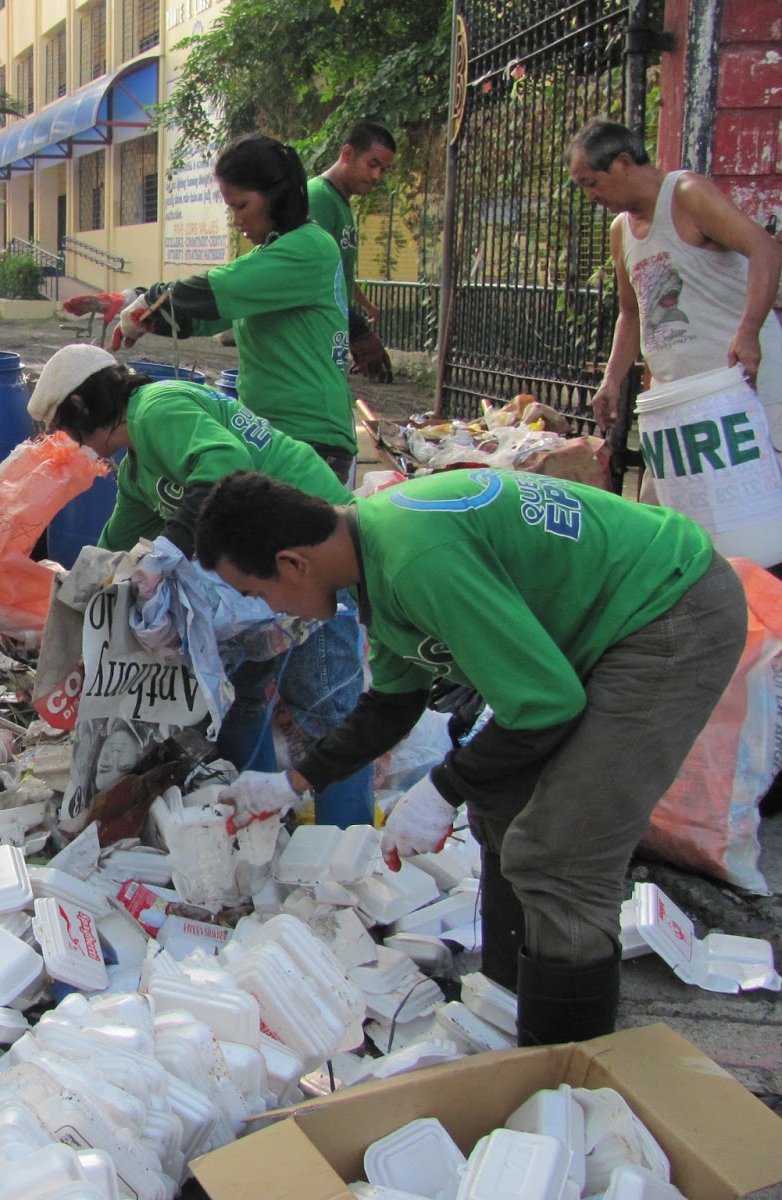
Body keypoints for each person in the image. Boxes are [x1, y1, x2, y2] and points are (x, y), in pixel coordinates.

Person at [195, 468, 746, 1045]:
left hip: (667, 611)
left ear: (292, 563)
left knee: (561, 849)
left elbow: (546, 707)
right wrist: (294, 782)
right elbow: (394, 702)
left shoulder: (417, 559)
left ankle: (570, 1064)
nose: (268, 607)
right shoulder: (373, 554)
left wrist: (442, 787)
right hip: (595, 625)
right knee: (501, 804)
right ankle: (506, 1005)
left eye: (258, 594)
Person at [27, 343, 373, 826]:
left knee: (323, 703)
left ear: (83, 407)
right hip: (261, 582)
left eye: (66, 428)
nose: (73, 444)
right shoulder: (139, 468)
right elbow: (115, 547)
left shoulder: (156, 406)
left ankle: (347, 841)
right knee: (238, 701)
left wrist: (170, 545)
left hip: (315, 559)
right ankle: (261, 822)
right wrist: (74, 599)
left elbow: (223, 463)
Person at [116, 133, 357, 483]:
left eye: (241, 206)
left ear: (275, 197)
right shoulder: (271, 256)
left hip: (311, 439)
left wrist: (151, 298)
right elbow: (213, 314)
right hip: (271, 433)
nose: (237, 220)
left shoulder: (311, 248)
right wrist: (154, 321)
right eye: (231, 209)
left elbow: (219, 288)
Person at [569, 119, 782, 444]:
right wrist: (611, 379)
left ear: (623, 163)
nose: (590, 196)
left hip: (742, 390)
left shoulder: (686, 194)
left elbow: (764, 249)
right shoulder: (621, 231)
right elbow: (632, 312)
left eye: (591, 182)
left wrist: (749, 331)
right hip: (677, 403)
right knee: (667, 497)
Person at [309, 121, 397, 383]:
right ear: (347, 154)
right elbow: (314, 274)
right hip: (312, 339)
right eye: (372, 164)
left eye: (383, 169)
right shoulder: (319, 199)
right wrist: (357, 331)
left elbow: (339, 270)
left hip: (332, 334)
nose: (377, 176)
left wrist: (365, 304)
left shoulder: (341, 203)